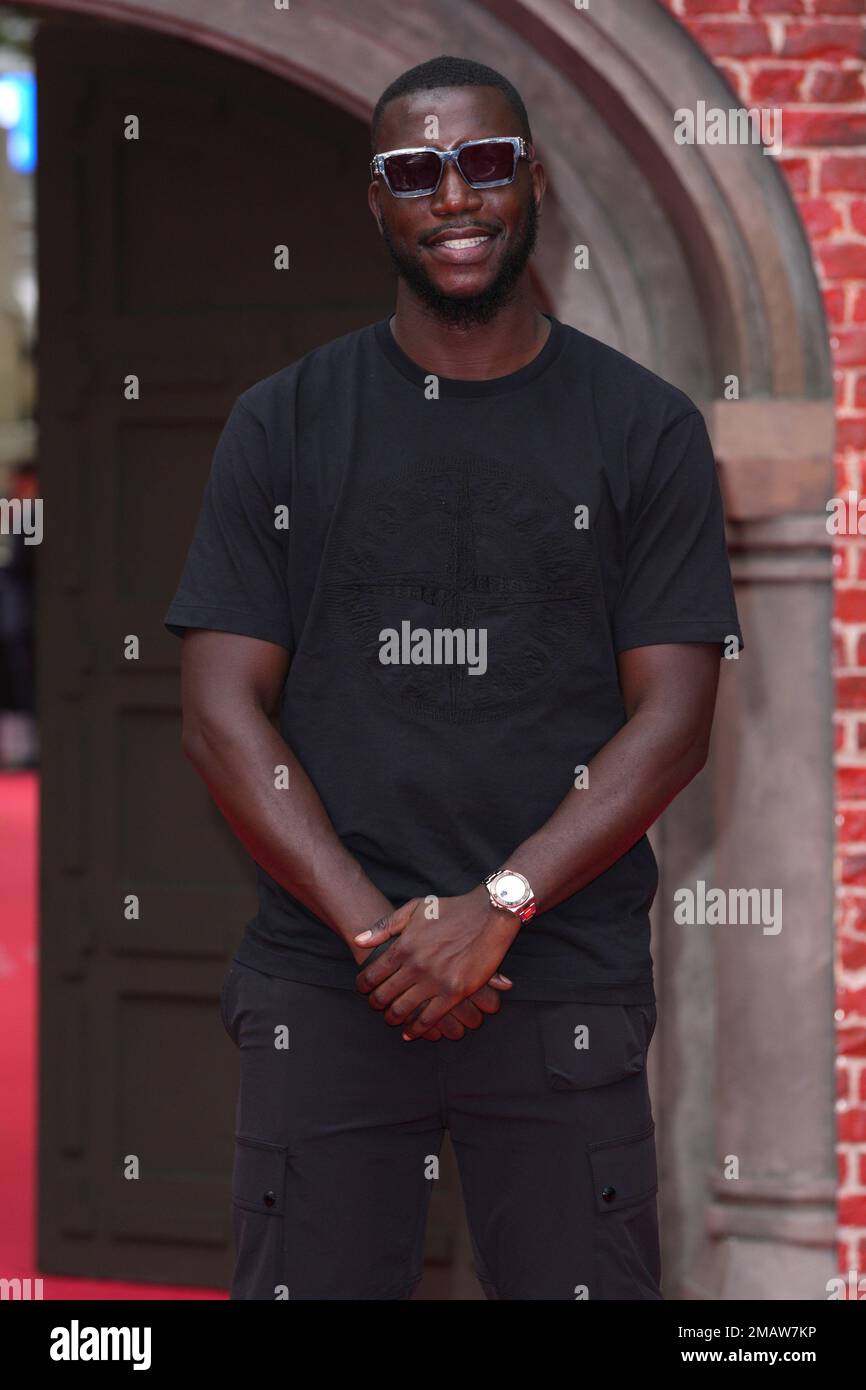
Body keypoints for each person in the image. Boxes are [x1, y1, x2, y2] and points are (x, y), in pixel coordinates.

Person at [164, 55, 744, 1301]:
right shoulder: (285, 423)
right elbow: (219, 711)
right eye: (414, 173)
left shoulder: (641, 429)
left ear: (532, 180)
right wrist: (379, 931)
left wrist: (499, 906)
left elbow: (676, 718)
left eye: (484, 162)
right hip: (329, 976)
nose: (455, 197)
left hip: (559, 979)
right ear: (376, 206)